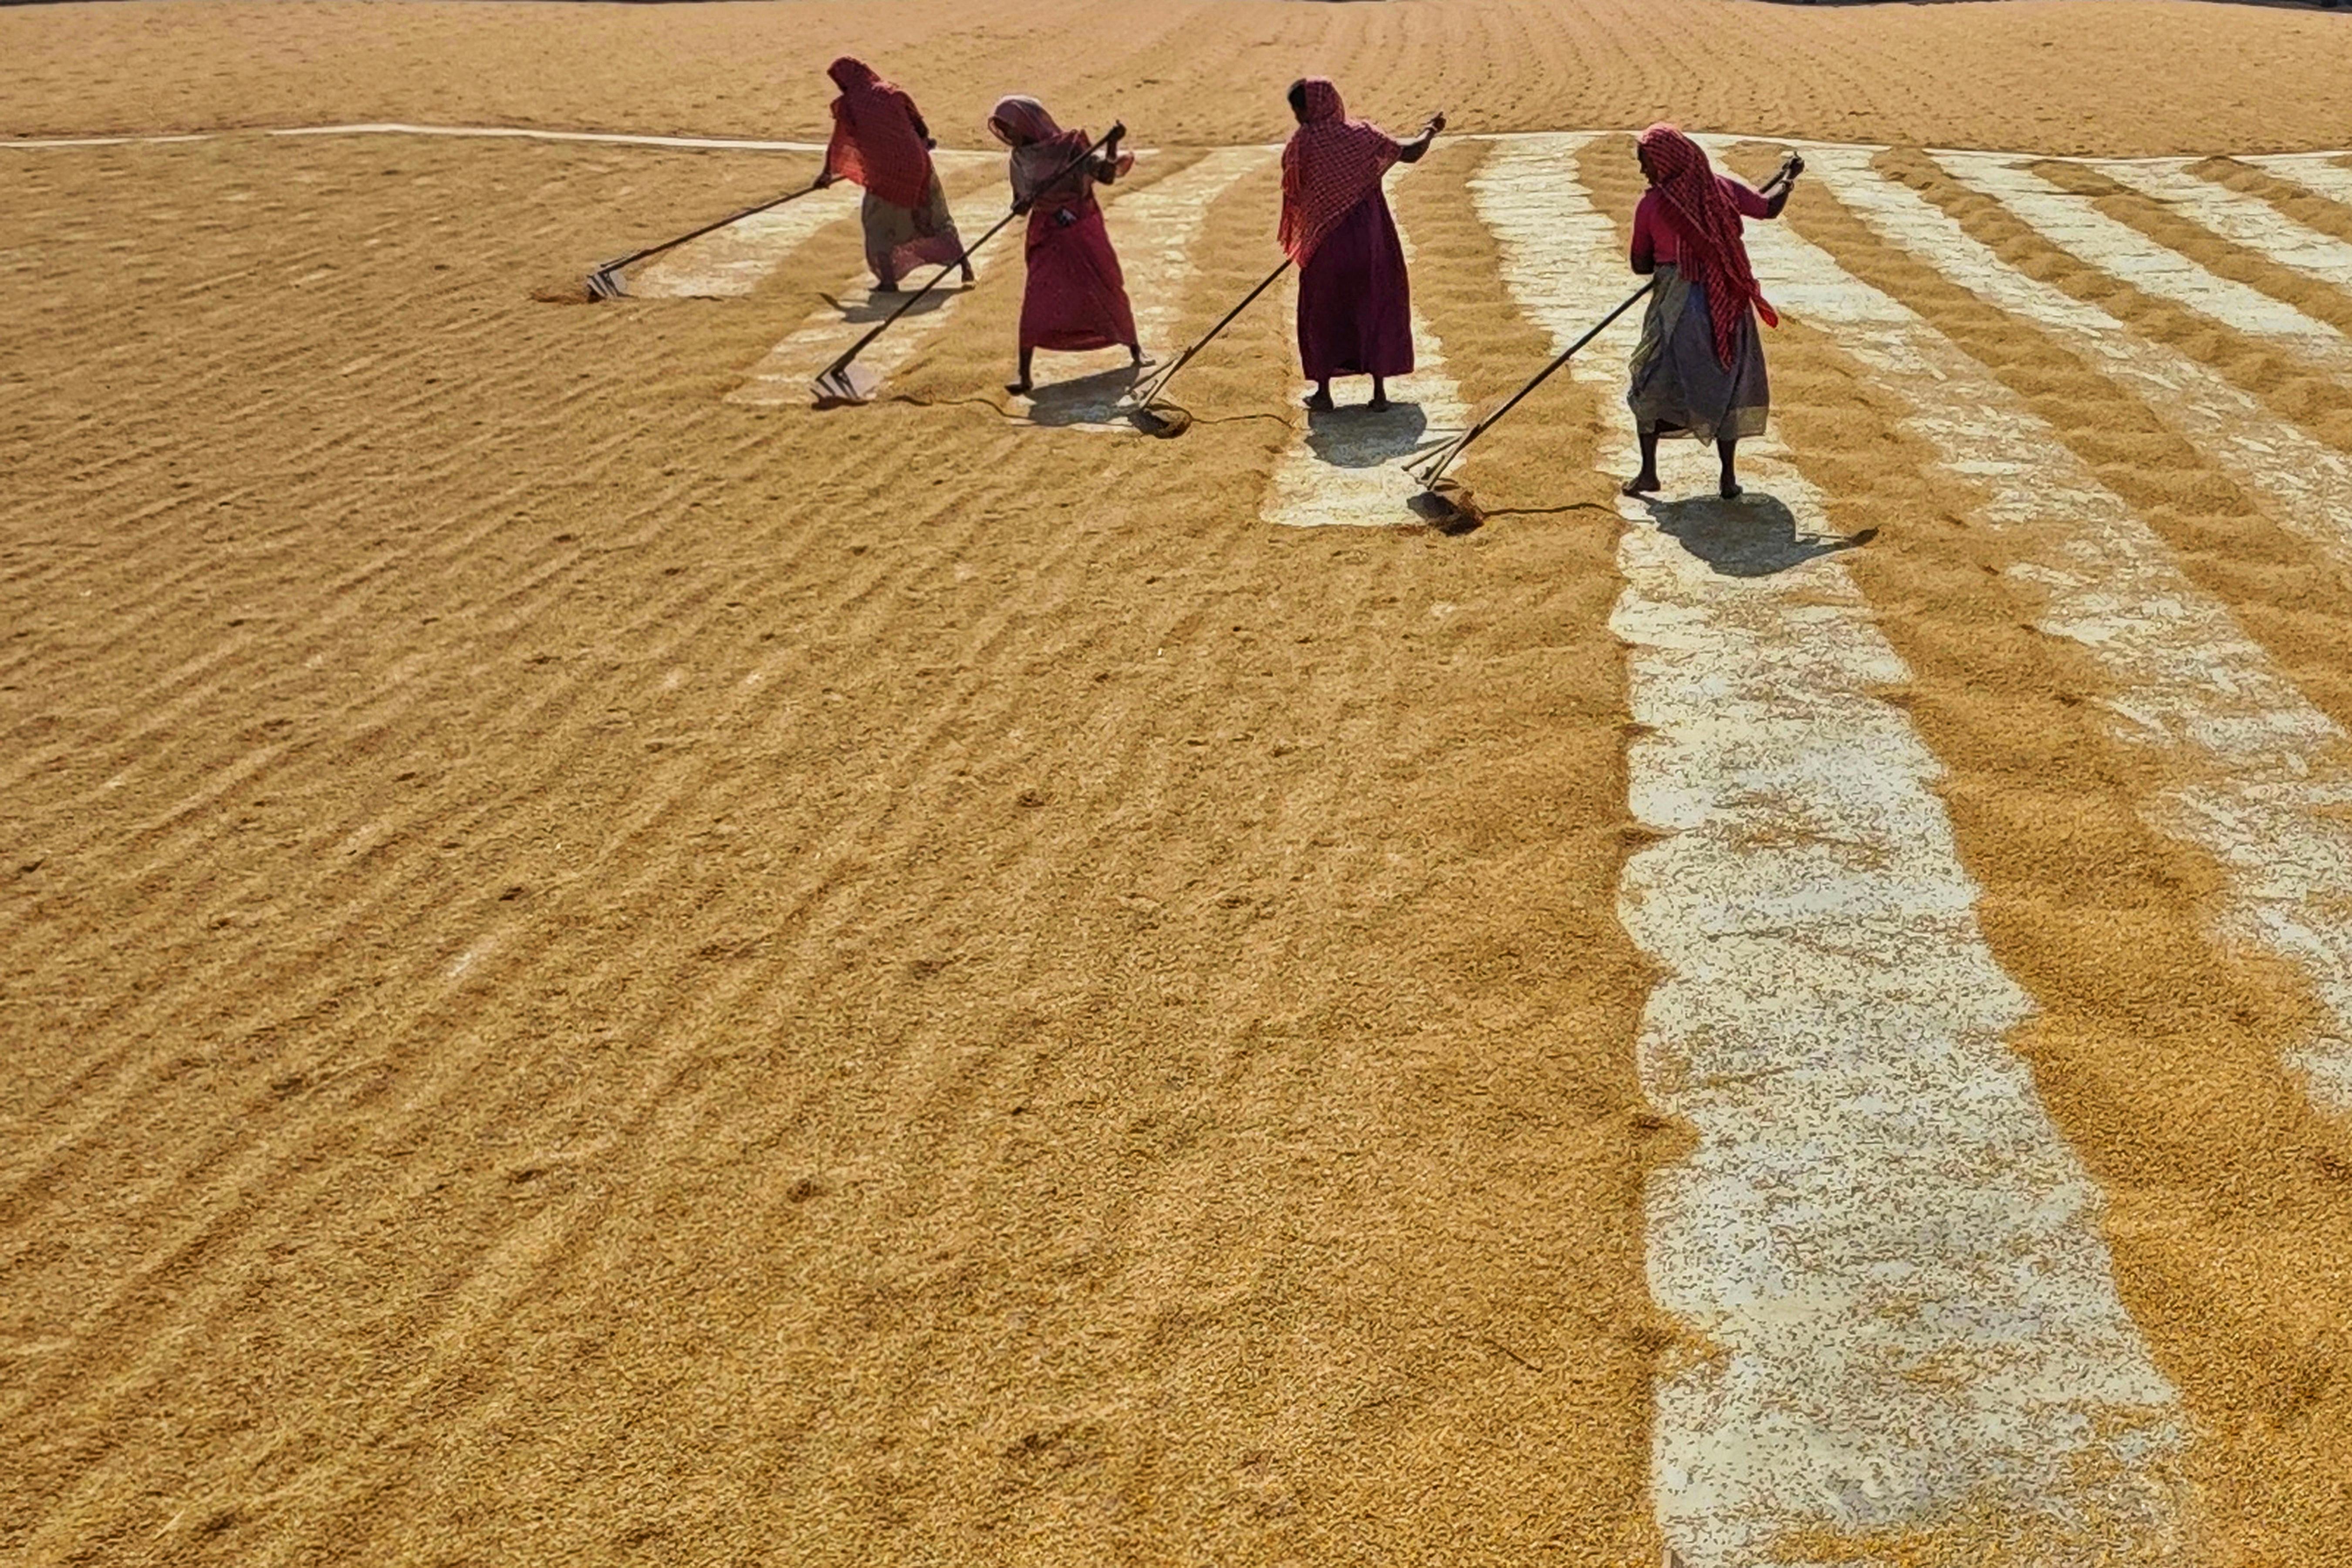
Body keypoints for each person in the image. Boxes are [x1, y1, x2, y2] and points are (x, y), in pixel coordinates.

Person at [1622, 125, 1801, 500]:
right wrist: (1788, 181)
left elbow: (1641, 265)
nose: (1644, 173)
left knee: (1651, 378)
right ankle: (1728, 479)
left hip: (1677, 308)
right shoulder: (1719, 188)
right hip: (1728, 305)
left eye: (1647, 164)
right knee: (1727, 381)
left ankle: (1648, 473)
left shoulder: (1653, 205)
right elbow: (1767, 208)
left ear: (1666, 163)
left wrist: (1667, 260)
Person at [1277, 79, 1443, 412]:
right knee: (1375, 304)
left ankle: (1323, 392)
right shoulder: (1362, 136)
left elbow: (1295, 192)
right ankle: (1379, 392)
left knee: (1323, 312)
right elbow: (1409, 153)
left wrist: (1310, 227)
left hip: (1324, 246)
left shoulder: (1301, 145)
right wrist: (1431, 130)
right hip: (1370, 240)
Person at [988, 96, 1140, 396]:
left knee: (1104, 286)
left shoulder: (1070, 147)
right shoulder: (1019, 159)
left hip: (1080, 229)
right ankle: (1025, 374)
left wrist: (1111, 145)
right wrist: (1024, 203)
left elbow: (1106, 176)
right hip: (1047, 234)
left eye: (1013, 129)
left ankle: (1134, 348)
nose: (1011, 137)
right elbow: (1019, 206)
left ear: (1029, 124)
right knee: (1038, 298)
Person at [814, 57, 973, 293]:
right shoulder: (892, 92)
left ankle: (888, 281)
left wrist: (827, 175)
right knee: (935, 217)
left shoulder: (849, 105)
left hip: (885, 174)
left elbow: (840, 142)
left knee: (877, 226)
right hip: (918, 164)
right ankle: (965, 268)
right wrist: (923, 142)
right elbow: (919, 125)